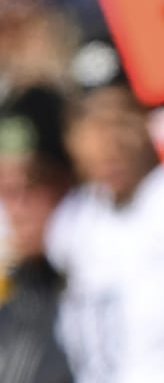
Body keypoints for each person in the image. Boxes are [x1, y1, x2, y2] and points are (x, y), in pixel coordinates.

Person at [46, 83, 164, 383]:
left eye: (121, 121)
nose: (109, 142)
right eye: (91, 124)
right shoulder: (71, 222)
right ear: (70, 136)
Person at [0, 86, 75, 383]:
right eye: (5, 189)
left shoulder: (97, 287)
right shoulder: (13, 302)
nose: (16, 207)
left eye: (34, 183)